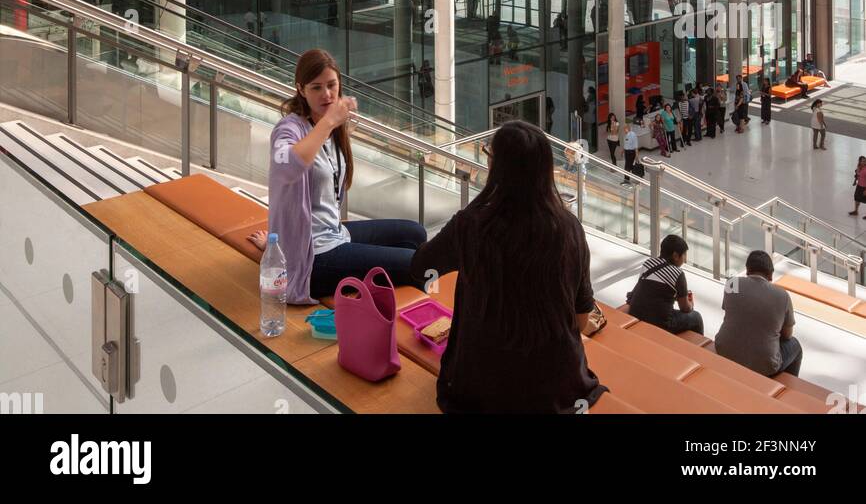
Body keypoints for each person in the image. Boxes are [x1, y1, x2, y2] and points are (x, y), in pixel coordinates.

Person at [408, 120, 606, 415]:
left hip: (477, 391)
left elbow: (421, 267)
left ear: (496, 167)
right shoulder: (569, 229)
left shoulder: (471, 225)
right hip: (557, 392)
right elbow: (580, 321)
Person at [252, 48, 427, 300]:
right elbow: (286, 167)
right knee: (416, 264)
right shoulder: (289, 128)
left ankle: (408, 304)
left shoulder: (332, 127)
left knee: (415, 233)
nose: (327, 94)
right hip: (314, 258)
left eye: (332, 85)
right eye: (316, 88)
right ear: (301, 89)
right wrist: (329, 122)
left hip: (335, 233)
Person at [714, 250, 802, 378]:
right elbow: (787, 335)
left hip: (724, 350)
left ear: (747, 270)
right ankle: (785, 388)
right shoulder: (782, 295)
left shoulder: (732, 283)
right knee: (795, 346)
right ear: (771, 275)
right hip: (764, 366)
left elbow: (730, 312)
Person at [626, 234, 704, 336]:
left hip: (635, 313)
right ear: (675, 255)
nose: (684, 259)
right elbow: (684, 308)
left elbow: (649, 289)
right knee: (696, 317)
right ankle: (696, 350)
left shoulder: (648, 263)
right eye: (684, 255)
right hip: (661, 323)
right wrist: (691, 304)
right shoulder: (678, 274)